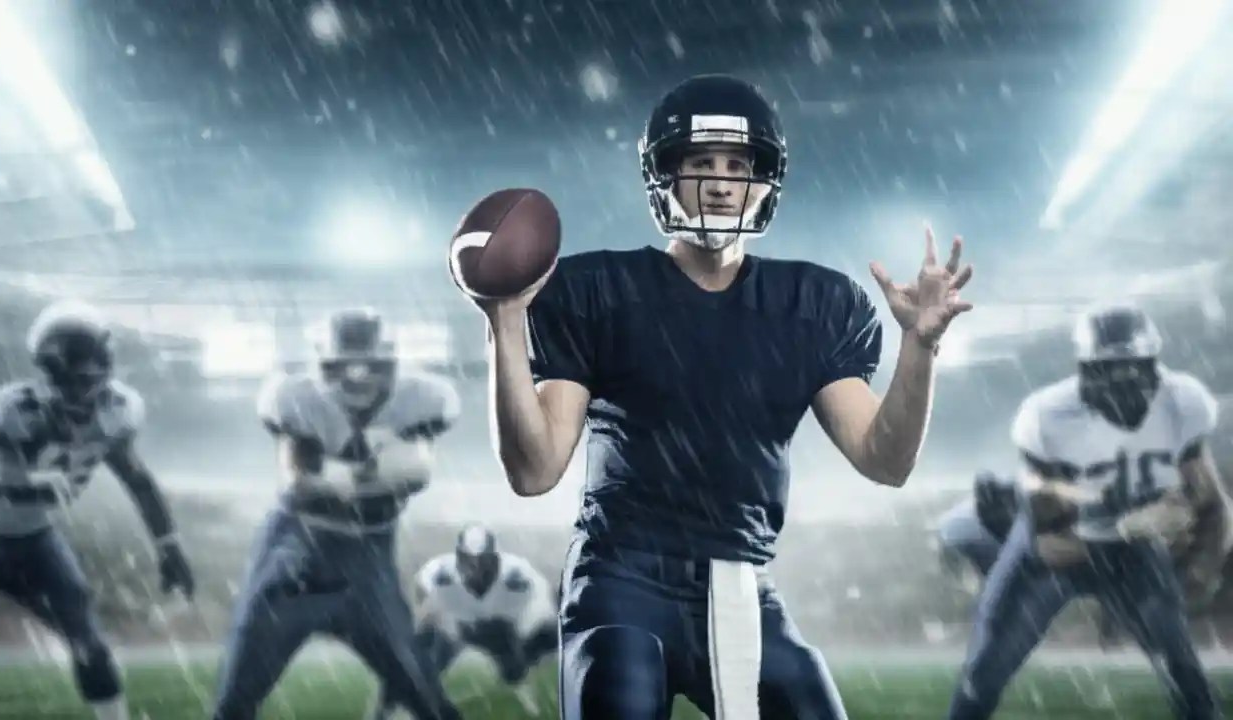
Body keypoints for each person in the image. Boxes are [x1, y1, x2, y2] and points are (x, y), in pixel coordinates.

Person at [467, 73, 973, 719]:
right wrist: (505, 321)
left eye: (737, 164)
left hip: (741, 585)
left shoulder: (813, 304)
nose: (719, 180)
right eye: (699, 162)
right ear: (664, 175)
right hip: (622, 581)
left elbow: (885, 460)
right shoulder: (597, 289)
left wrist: (919, 349)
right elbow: (535, 471)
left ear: (763, 179)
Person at [946, 304, 1226, 719]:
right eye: (1111, 371)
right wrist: (1104, 509)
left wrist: (1202, 567)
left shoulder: (1183, 402)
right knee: (985, 673)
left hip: (1134, 551)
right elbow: (1046, 542)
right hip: (1060, 550)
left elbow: (1212, 502)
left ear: (1154, 365)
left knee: (1184, 672)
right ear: (1085, 371)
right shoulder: (1049, 415)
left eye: (1135, 369)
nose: (1126, 384)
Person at [211, 308, 461, 720]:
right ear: (322, 363)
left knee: (425, 697)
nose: (357, 378)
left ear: (390, 363)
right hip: (296, 551)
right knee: (235, 700)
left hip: (368, 558)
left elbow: (416, 470)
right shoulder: (297, 398)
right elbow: (299, 482)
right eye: (343, 366)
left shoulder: (421, 399)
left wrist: (350, 476)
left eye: (369, 366)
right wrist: (370, 473)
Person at [0, 301, 195, 720]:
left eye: (91, 377)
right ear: (47, 372)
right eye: (72, 380)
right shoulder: (12, 408)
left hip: (34, 539)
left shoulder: (117, 412)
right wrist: (36, 472)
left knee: (89, 642)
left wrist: (169, 543)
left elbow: (138, 480)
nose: (83, 392)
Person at [379, 524, 557, 718]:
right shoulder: (441, 571)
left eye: (481, 561)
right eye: (468, 561)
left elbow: (542, 602)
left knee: (544, 644)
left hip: (503, 632)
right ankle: (391, 705)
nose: (474, 568)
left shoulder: (517, 573)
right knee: (414, 659)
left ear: (494, 558)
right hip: (460, 630)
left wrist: (524, 640)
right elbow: (422, 589)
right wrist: (428, 614)